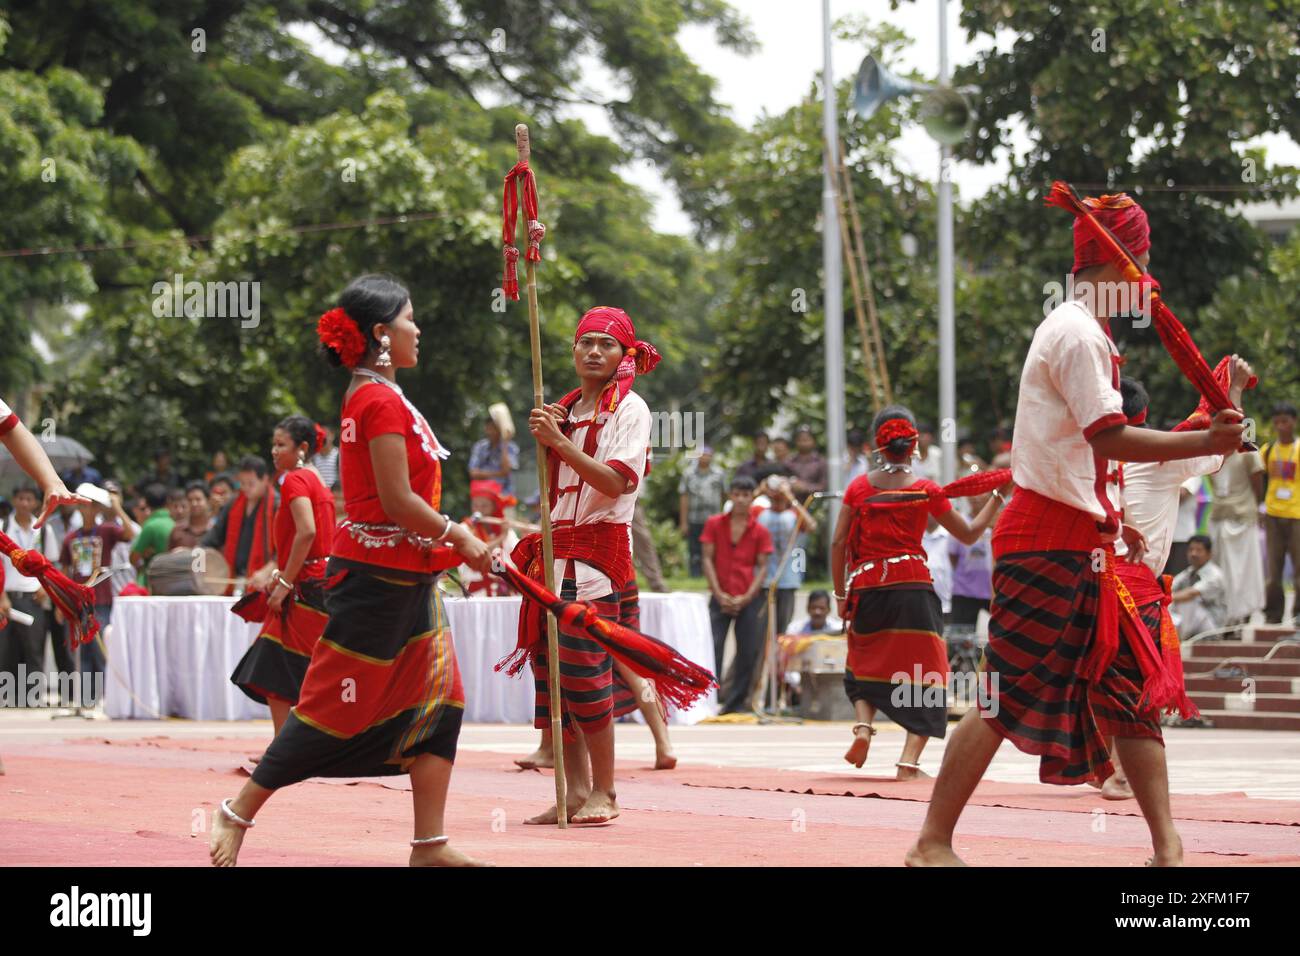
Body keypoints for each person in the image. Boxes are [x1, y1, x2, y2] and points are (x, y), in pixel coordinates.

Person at [907, 191, 1244, 868]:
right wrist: (1204, 437)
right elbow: (1110, 437)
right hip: (1045, 541)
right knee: (1006, 692)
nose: (1150, 280)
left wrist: (1119, 524)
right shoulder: (1078, 333)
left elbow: (1094, 454)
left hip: (1086, 541)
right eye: (1142, 262)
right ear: (1119, 265)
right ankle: (931, 842)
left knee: (1127, 689)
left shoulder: (1086, 333)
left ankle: (1167, 850)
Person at [209, 274, 491, 868]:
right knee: (331, 709)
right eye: (411, 319)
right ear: (383, 335)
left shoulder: (376, 395)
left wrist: (450, 537)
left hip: (407, 574)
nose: (419, 329)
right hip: (377, 581)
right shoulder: (377, 399)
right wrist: (458, 534)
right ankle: (236, 812)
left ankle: (429, 845)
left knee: (441, 707)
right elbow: (395, 502)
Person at [505, 305, 659, 826]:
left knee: (586, 674)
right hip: (553, 555)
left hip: (596, 560)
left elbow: (615, 482)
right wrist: (553, 438)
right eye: (585, 342)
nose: (594, 351)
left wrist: (557, 443)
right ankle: (573, 793)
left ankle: (607, 792)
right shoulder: (563, 411)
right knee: (556, 678)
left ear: (625, 355)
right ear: (573, 351)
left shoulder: (631, 409)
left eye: (606, 344)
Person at [832, 406, 1008, 779]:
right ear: (913, 447)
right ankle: (908, 763)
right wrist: (997, 495)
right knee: (929, 673)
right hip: (912, 585)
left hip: (867, 586)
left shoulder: (858, 488)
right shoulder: (925, 490)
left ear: (877, 446)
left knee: (862, 662)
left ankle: (864, 727)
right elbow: (970, 533)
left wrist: (838, 593)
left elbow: (837, 543)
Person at [231, 416, 337, 734]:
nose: (274, 451)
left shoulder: (294, 480)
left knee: (277, 666)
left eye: (281, 445)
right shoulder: (317, 480)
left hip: (305, 586)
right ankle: (286, 743)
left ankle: (286, 746)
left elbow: (306, 532)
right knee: (286, 666)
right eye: (273, 444)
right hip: (319, 581)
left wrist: (285, 584)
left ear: (302, 448)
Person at [59, 483, 137, 706]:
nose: (87, 511)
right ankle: (86, 699)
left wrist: (117, 507)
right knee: (81, 651)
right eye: (83, 506)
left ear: (97, 508)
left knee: (101, 649)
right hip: (76, 602)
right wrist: (60, 604)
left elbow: (130, 534)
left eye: (92, 506)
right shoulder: (70, 537)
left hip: (100, 600)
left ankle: (107, 696)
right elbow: (65, 572)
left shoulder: (107, 530)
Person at [701, 475, 773, 715]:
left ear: (752, 498)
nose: (741, 500)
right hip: (720, 595)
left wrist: (747, 596)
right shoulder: (714, 523)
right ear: (730, 496)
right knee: (713, 648)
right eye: (737, 494)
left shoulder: (760, 530)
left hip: (748, 598)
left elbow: (763, 567)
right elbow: (707, 559)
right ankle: (707, 699)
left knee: (748, 650)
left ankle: (735, 703)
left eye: (746, 495)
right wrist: (719, 594)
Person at [0, 485, 62, 697]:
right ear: (14, 500)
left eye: (29, 499)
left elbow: (52, 563)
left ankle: (33, 697)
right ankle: (6, 697)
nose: (25, 503)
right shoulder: (3, 527)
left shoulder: (43, 528)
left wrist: (46, 588)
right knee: (5, 649)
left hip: (35, 596)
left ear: (35, 503)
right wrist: (2, 596)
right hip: (8, 595)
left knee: (34, 648)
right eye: (20, 498)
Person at [1209, 440, 1266, 625]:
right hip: (1219, 516)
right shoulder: (1211, 450)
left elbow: (1257, 482)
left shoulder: (1248, 452)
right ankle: (1225, 616)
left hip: (1243, 517)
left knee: (1244, 569)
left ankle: (1243, 613)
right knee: (1221, 569)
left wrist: (1257, 507)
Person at [757, 475, 817, 639]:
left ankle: (780, 664)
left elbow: (811, 525)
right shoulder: (760, 513)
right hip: (763, 581)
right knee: (760, 631)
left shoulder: (793, 514)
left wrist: (790, 497)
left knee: (782, 632)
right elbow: (740, 514)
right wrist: (759, 492)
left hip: (788, 579)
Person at [201, 456, 275, 584]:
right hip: (235, 578)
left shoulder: (276, 505)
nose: (245, 488)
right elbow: (214, 537)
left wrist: (269, 569)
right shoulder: (233, 504)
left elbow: (287, 549)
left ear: (265, 479)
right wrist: (196, 552)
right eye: (242, 483)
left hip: (265, 580)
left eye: (251, 484)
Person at [1261, 402, 1300, 623]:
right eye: (1277, 422)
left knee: (1299, 569)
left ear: (1293, 422)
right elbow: (1261, 480)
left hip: (1297, 515)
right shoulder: (1268, 451)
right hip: (1273, 514)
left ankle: (1297, 615)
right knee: (1274, 570)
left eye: (1285, 421)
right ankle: (1273, 616)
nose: (1281, 426)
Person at [462, 479, 518, 596]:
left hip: (505, 594)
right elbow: (477, 552)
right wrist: (501, 538)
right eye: (475, 505)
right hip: (477, 595)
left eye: (484, 506)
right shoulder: (464, 529)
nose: (479, 510)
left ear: (494, 507)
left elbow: (518, 556)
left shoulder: (504, 530)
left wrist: (527, 536)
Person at [679, 446, 726, 578]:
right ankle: (695, 575)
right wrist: (683, 522)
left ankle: (712, 574)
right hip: (694, 518)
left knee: (714, 548)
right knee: (694, 549)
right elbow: (684, 497)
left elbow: (724, 494)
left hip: (714, 519)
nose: (705, 457)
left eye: (707, 455)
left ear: (712, 456)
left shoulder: (719, 473)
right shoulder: (688, 474)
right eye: (702, 454)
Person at [1170, 535, 1227, 640]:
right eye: (1191, 550)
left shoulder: (1215, 575)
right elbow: (1170, 586)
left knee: (1186, 601)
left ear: (1209, 554)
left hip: (1213, 625)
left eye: (1199, 550)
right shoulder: (1189, 572)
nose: (1194, 554)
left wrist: (1165, 598)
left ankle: (1178, 640)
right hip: (1196, 624)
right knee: (1169, 602)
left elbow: (1191, 593)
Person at [468, 403, 520, 495]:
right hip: (483, 496)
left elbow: (506, 471)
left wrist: (505, 443)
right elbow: (473, 473)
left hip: (504, 496)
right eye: (488, 428)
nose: (489, 432)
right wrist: (498, 474)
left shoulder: (511, 448)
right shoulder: (480, 447)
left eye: (493, 429)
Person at [129, 483, 174, 588]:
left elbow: (133, 558)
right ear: (167, 501)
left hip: (153, 582)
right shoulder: (173, 523)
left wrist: (144, 552)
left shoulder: (150, 526)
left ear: (146, 502)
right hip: (173, 580)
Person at [168, 481, 212, 550]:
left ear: (208, 501)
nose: (194, 503)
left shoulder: (215, 530)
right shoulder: (177, 531)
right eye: (190, 500)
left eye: (198, 499)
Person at [787, 425, 827, 497]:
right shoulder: (790, 461)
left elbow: (824, 486)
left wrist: (805, 487)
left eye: (806, 440)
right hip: (792, 503)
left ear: (813, 441)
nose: (803, 443)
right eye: (800, 440)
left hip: (815, 504)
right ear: (796, 442)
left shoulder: (820, 462)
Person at [309, 425, 340, 491]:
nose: (324, 438)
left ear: (332, 436)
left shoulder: (338, 454)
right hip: (320, 494)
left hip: (335, 494)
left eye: (327, 435)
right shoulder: (313, 457)